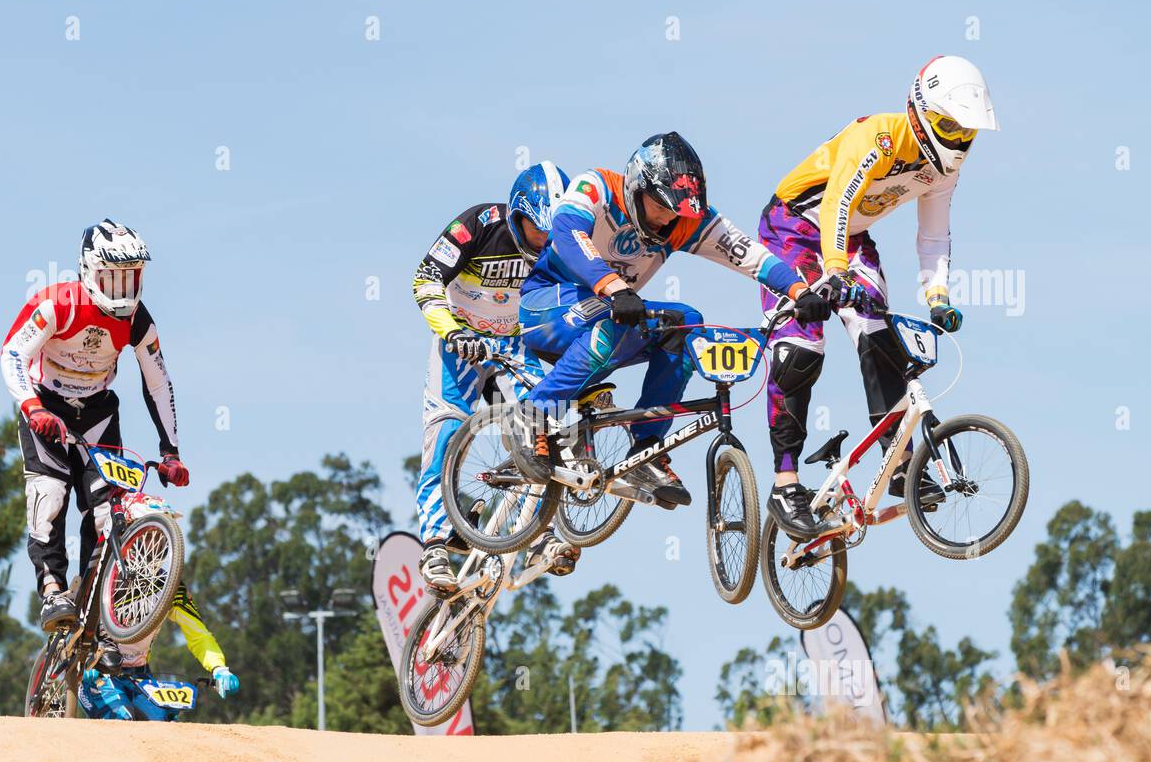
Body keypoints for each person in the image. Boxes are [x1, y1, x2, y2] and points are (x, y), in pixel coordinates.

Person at [756, 55, 998, 539]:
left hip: (852, 240)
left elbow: (933, 236)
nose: (959, 138)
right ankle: (786, 483)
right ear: (921, 113)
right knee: (802, 350)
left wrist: (937, 296)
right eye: (950, 125)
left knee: (879, 334)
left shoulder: (942, 171)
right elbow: (836, 204)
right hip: (796, 228)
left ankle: (900, 460)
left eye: (966, 129)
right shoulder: (880, 137)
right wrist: (836, 272)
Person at [509, 132, 817, 507]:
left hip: (613, 311)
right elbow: (567, 232)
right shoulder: (597, 187)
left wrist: (801, 292)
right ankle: (533, 412)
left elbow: (750, 255)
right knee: (614, 319)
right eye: (660, 206)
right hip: (547, 308)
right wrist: (613, 287)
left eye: (678, 211)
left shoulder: (686, 219)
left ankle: (647, 447)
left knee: (686, 322)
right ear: (637, 188)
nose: (667, 218)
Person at [0, 219, 189, 642]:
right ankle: (52, 590)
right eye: (112, 276)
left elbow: (158, 381)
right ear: (88, 271)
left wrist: (171, 451)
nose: (122, 288)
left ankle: (94, 598)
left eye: (131, 276)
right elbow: (12, 352)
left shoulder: (139, 321)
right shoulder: (56, 304)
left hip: (99, 412)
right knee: (49, 496)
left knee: (107, 510)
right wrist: (31, 405)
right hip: (47, 409)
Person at [411, 162, 583, 591]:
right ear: (517, 214)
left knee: (546, 424)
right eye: (536, 230)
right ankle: (433, 546)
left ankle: (539, 534)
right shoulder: (477, 224)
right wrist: (450, 329)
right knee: (447, 431)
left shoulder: (564, 242)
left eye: (551, 231)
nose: (544, 241)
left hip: (513, 343)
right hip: (460, 341)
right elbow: (425, 278)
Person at [77, 583, 240, 720]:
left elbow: (198, 635)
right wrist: (83, 659)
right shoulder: (108, 574)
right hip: (98, 674)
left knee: (164, 724)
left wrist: (219, 668)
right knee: (121, 718)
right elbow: (76, 621)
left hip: (140, 675)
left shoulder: (172, 587)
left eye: (159, 543)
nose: (153, 544)